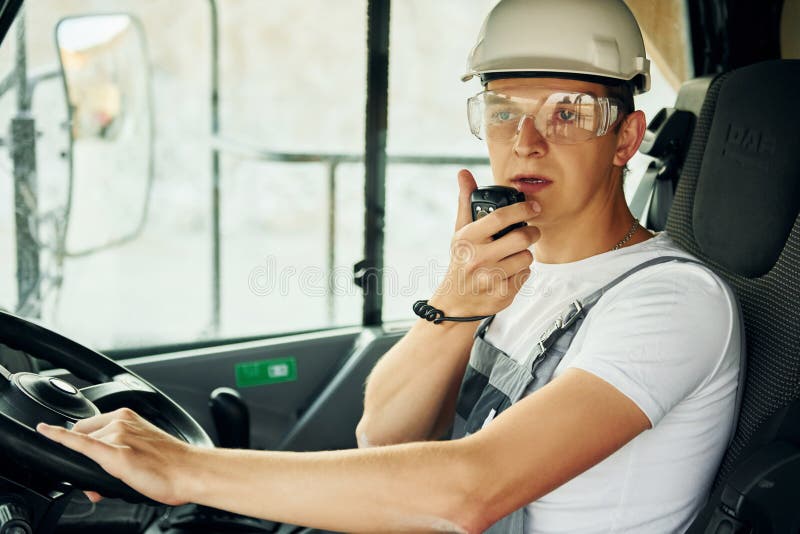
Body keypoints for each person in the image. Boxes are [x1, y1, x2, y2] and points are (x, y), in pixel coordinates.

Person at [37, 0, 742, 532]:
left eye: (568, 114)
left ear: (625, 138)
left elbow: (472, 489)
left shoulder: (675, 302)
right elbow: (383, 436)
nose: (525, 141)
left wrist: (184, 468)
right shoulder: (510, 268)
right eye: (502, 110)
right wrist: (457, 302)